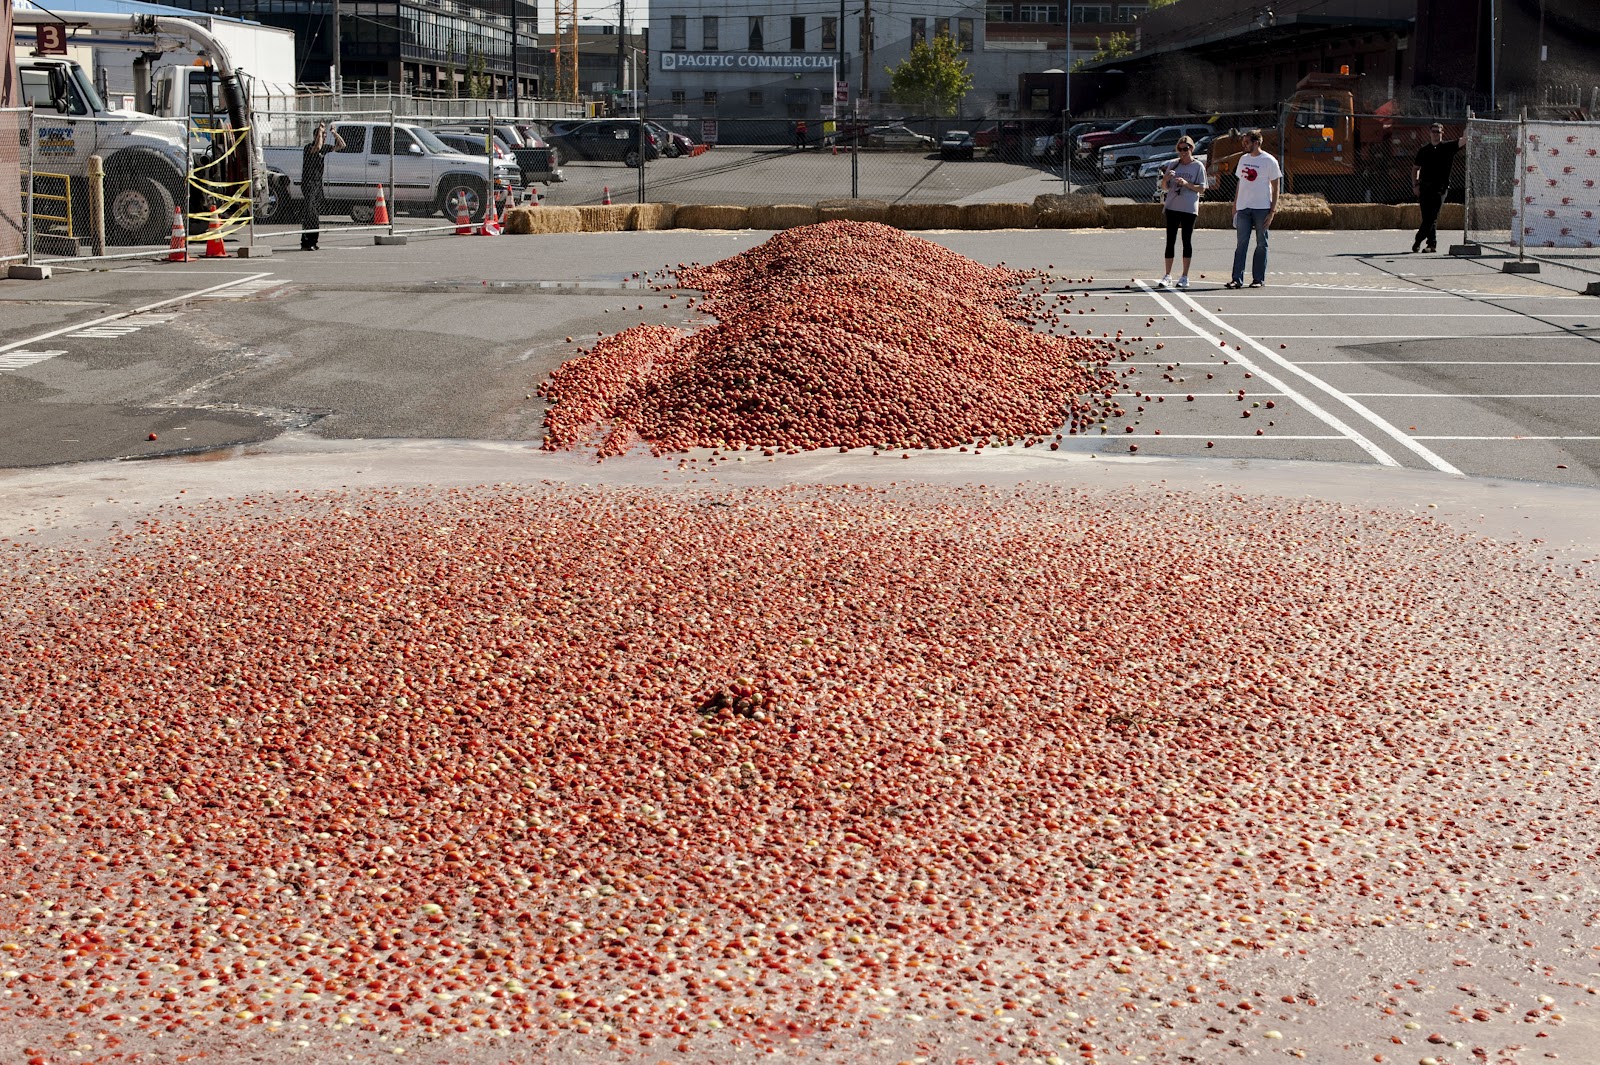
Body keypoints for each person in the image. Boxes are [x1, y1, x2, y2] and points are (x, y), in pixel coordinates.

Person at [1227, 129, 1281, 289]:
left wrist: (1272, 211)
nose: (1244, 144)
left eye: (1247, 142)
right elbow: (1240, 183)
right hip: (1243, 208)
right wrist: (1235, 205)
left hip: (1262, 208)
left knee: (1261, 243)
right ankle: (1237, 279)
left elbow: (1276, 187)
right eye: (1243, 142)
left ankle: (1258, 279)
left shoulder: (1269, 161)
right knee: (1241, 244)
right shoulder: (1243, 159)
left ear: (1256, 142)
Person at [1157, 136, 1207, 289]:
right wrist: (1165, 179)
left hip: (1189, 208)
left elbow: (1202, 189)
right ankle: (1167, 275)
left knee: (1187, 240)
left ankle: (1184, 276)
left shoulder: (1198, 166)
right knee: (1170, 241)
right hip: (1172, 206)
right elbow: (1164, 187)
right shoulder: (1173, 164)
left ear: (1191, 149)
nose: (1183, 152)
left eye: (1186, 149)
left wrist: (1186, 184)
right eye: (1180, 149)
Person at [1412, 122, 1465, 254]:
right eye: (1433, 131)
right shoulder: (1424, 150)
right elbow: (1415, 169)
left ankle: (1418, 240)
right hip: (1424, 187)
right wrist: (1415, 184)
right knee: (1427, 217)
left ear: (1442, 133)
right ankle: (1432, 245)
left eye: (1438, 132)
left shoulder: (1448, 147)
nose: (1435, 134)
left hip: (1440, 189)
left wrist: (1470, 123)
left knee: (1432, 216)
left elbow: (1464, 140)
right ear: (1430, 133)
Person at [300, 121, 346, 251]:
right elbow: (317, 147)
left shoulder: (324, 148)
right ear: (315, 136)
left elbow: (342, 145)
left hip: (317, 184)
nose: (325, 138)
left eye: (326, 136)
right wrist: (320, 131)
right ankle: (306, 242)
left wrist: (334, 133)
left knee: (315, 213)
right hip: (308, 183)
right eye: (322, 135)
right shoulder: (308, 147)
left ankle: (313, 241)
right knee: (310, 213)